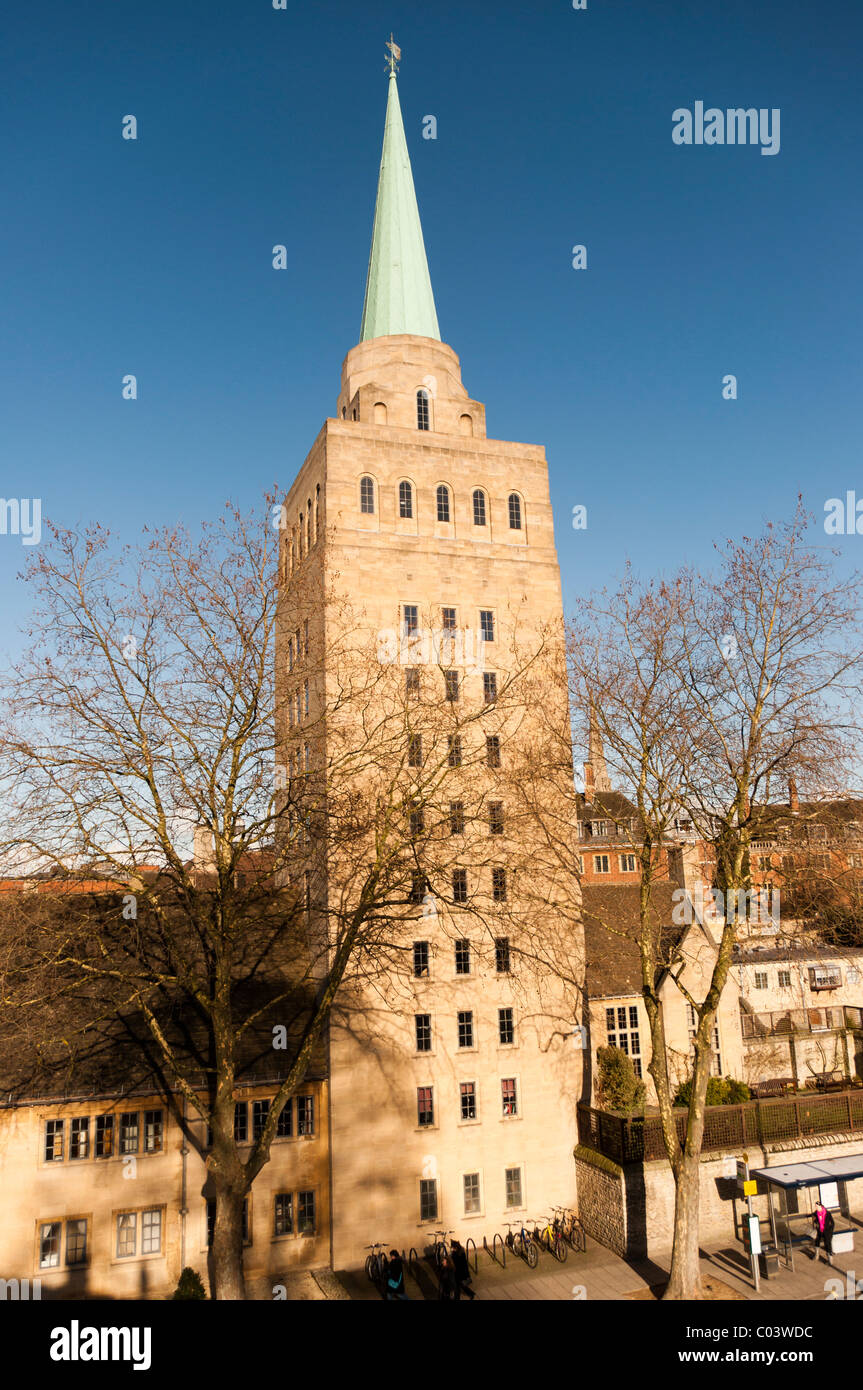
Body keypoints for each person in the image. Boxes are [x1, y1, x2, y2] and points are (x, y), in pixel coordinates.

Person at [810, 1201, 835, 1265]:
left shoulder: (827, 1213)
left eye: (817, 1206)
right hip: (819, 1231)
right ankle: (817, 1255)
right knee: (817, 1240)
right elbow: (815, 1220)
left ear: (820, 1206)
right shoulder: (816, 1213)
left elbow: (832, 1223)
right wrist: (814, 1220)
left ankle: (830, 1260)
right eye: (815, 1206)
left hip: (827, 1231)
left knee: (827, 1243)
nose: (816, 1207)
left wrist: (830, 1231)